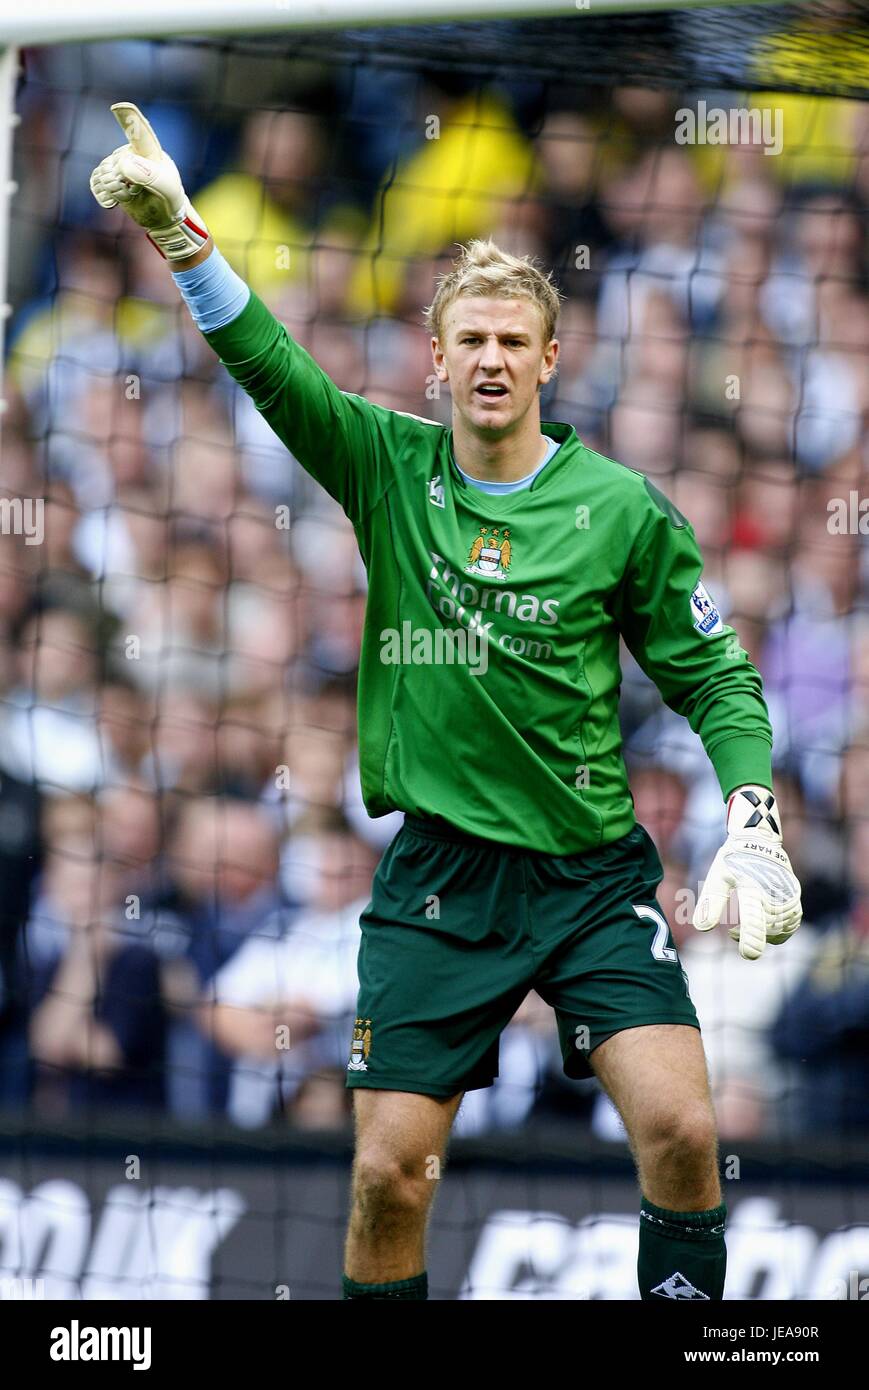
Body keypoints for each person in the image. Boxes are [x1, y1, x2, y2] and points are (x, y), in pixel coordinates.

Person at [90, 105, 803, 1302]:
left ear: (546, 359)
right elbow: (272, 368)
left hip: (586, 877)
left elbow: (714, 673)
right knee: (389, 1176)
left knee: (683, 1132)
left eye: (510, 340)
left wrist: (750, 811)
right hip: (437, 887)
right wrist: (184, 239)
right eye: (467, 337)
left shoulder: (621, 509)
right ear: (435, 359)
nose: (487, 358)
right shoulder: (387, 467)